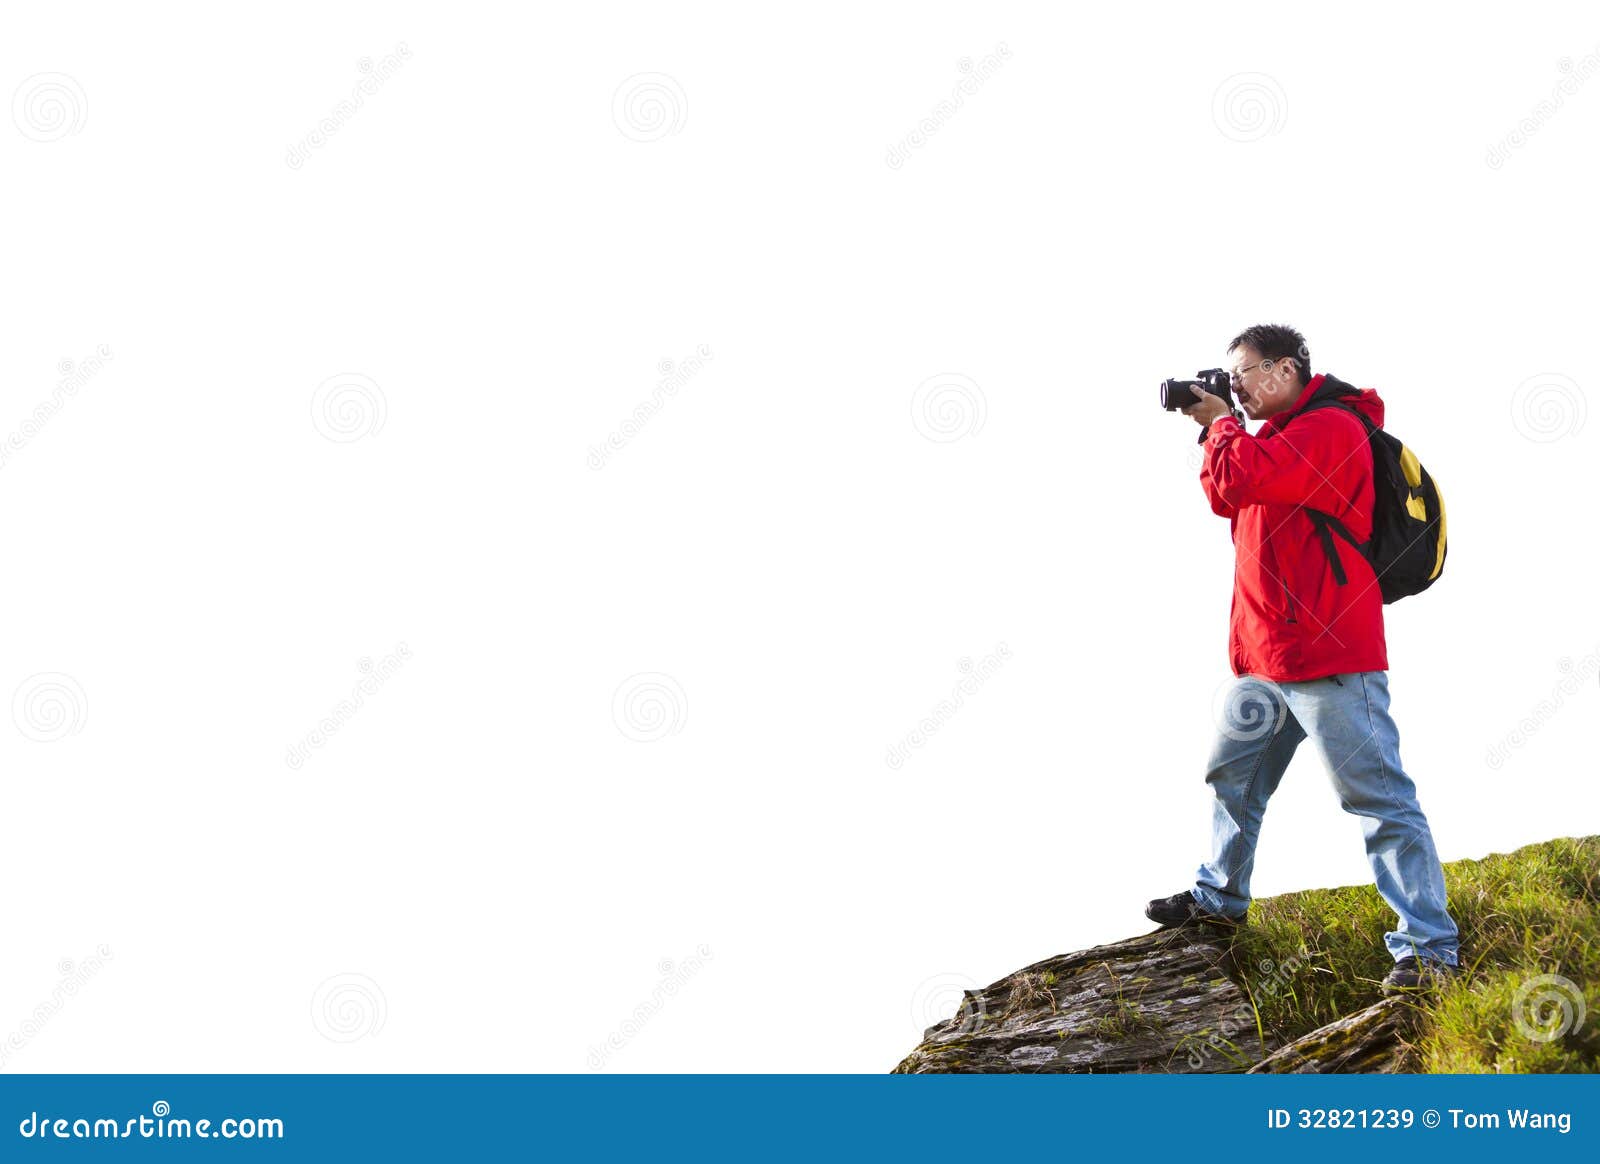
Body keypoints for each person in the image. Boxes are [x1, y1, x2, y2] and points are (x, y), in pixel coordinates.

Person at [1146, 324, 1462, 995]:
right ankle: (1218, 903)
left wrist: (1219, 422)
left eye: (1245, 374)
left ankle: (1430, 952)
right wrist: (1218, 426)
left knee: (1378, 802)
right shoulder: (1272, 438)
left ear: (1286, 369)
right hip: (1266, 658)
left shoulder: (1331, 430)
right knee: (1232, 782)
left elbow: (1241, 479)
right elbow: (1228, 495)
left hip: (1329, 656)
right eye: (1228, 379)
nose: (1234, 388)